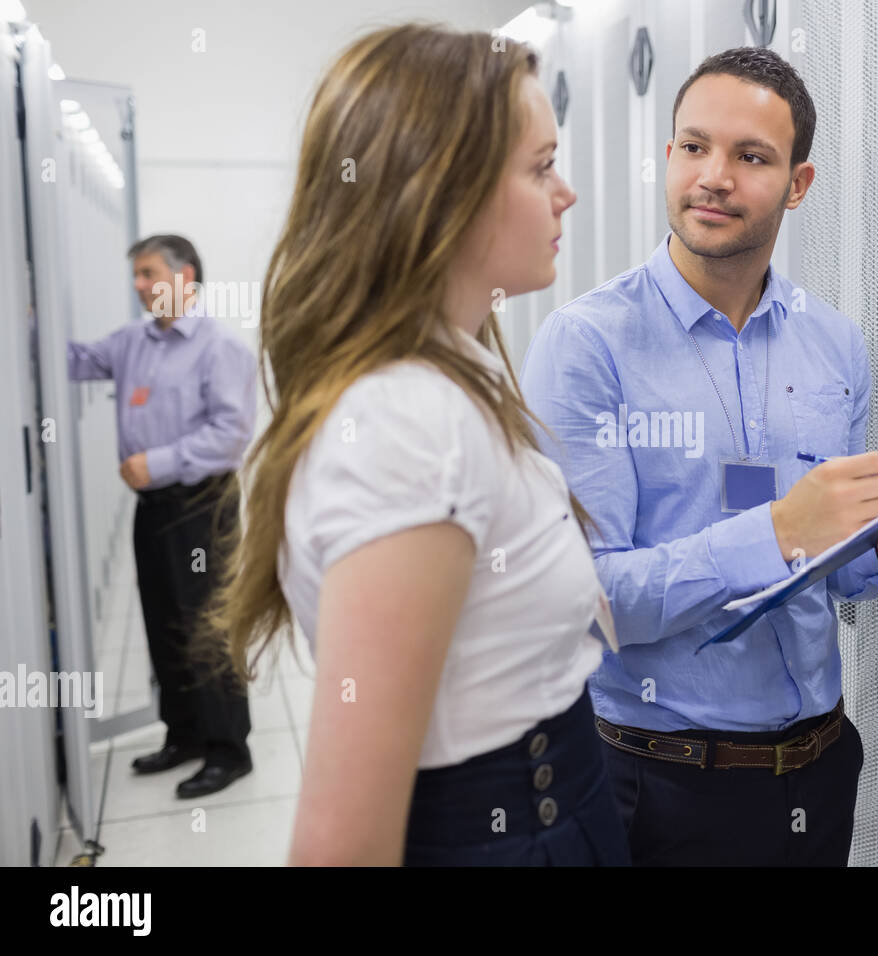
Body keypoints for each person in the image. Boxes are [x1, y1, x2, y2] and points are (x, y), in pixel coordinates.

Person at [520, 47, 878, 866]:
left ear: (798, 185)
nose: (714, 176)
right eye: (694, 147)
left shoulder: (833, 343)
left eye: (751, 156)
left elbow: (824, 569)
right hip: (660, 785)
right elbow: (586, 602)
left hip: (820, 766)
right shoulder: (588, 346)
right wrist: (778, 529)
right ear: (668, 158)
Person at [202, 24, 629, 867]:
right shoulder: (406, 425)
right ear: (445, 194)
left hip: (558, 807)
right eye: (541, 167)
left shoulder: (455, 372)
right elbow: (340, 845)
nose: (566, 192)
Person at [67, 233, 257, 798]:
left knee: (208, 623)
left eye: (148, 273)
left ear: (185, 276)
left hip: (202, 504)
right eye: (137, 275)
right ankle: (185, 734)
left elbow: (231, 434)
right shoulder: (132, 342)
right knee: (162, 619)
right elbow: (75, 361)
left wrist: (159, 461)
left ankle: (229, 748)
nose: (139, 285)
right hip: (152, 506)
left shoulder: (221, 347)